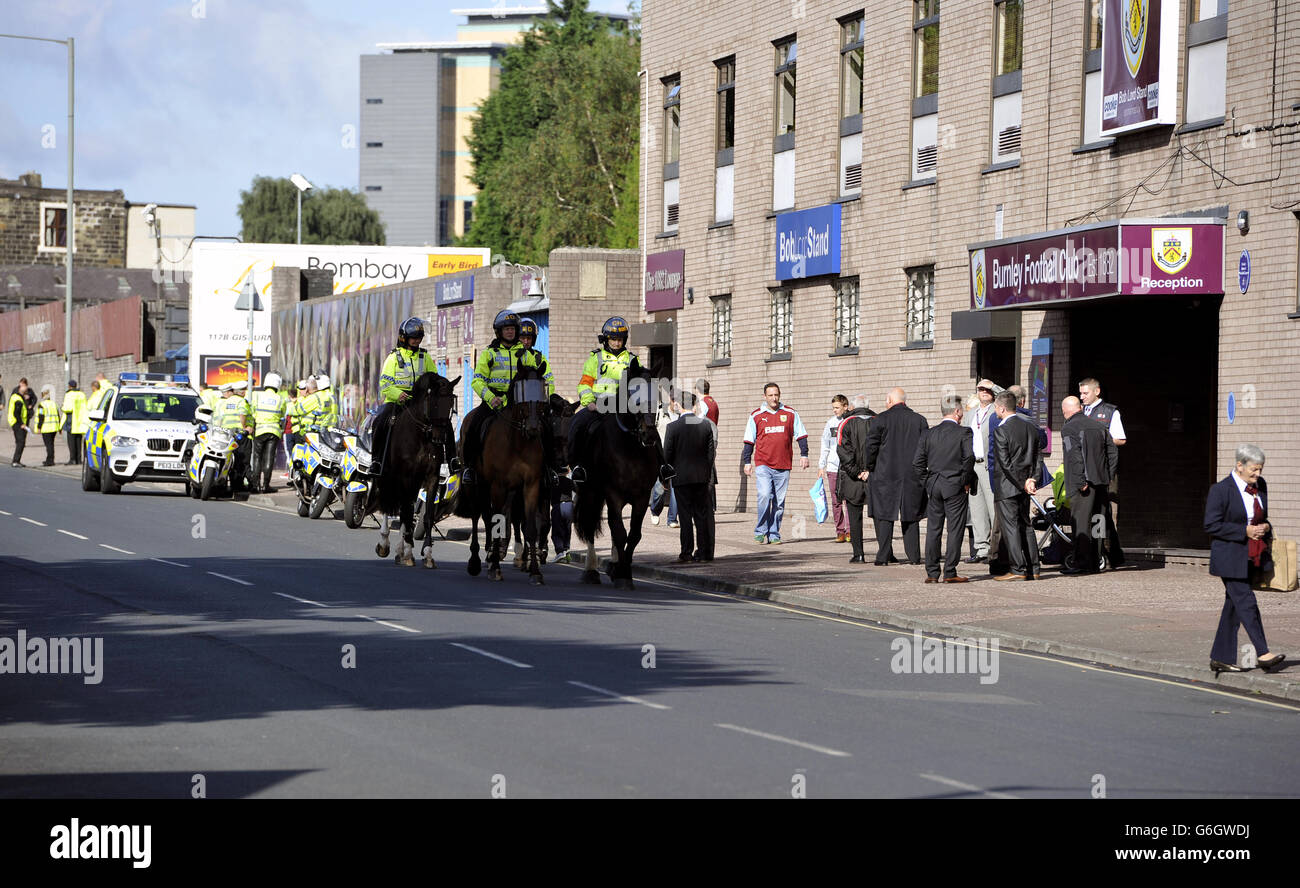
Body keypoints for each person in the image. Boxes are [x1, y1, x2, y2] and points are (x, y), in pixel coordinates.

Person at [1205, 444, 1286, 675]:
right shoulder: (1220, 490)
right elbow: (1211, 525)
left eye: (1260, 469)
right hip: (1229, 558)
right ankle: (1263, 653)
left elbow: (1263, 516)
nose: (1257, 475)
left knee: (1233, 606)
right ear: (1239, 465)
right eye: (1254, 470)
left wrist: (1265, 526)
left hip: (1252, 556)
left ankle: (1220, 658)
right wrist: (1245, 531)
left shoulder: (1261, 486)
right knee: (1247, 603)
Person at [569, 317, 672, 484]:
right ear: (606, 339)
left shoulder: (632, 359)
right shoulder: (595, 358)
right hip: (600, 405)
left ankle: (663, 466)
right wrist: (589, 402)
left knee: (650, 426)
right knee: (577, 423)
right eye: (613, 339)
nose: (617, 343)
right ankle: (578, 466)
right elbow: (585, 384)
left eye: (620, 339)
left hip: (625, 406)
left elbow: (642, 383)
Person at [913, 394, 976, 583]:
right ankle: (950, 571)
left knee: (934, 529)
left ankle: (932, 573)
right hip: (954, 483)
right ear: (957, 412)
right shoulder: (964, 432)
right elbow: (969, 459)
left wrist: (928, 481)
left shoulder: (928, 433)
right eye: (961, 411)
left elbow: (917, 463)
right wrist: (964, 480)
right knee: (955, 529)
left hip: (935, 484)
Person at [864, 387, 928, 565]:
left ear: (890, 401)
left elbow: (871, 447)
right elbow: (925, 449)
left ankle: (883, 556)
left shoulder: (881, 419)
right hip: (912, 475)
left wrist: (870, 466)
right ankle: (914, 556)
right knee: (911, 515)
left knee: (884, 515)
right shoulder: (920, 420)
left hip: (885, 474)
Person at [462, 311, 526, 484]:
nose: (510, 332)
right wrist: (491, 398)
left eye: (512, 328)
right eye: (506, 329)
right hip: (493, 403)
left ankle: (550, 469)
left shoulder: (525, 353)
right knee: (473, 425)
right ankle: (469, 468)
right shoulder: (489, 353)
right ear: (499, 331)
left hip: (519, 404)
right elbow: (477, 381)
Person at [741, 382, 808, 545]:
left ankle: (774, 533)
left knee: (779, 502)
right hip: (763, 463)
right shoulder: (756, 415)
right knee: (764, 496)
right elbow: (749, 440)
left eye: (776, 394)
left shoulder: (790, 413)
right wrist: (747, 461)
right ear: (765, 397)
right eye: (770, 395)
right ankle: (760, 531)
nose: (774, 398)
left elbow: (801, 434)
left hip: (783, 464)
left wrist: (804, 454)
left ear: (780, 395)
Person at [372, 317, 439, 476]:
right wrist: (398, 394)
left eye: (419, 338)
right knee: (379, 422)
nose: (416, 341)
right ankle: (376, 460)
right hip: (397, 402)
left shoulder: (425, 357)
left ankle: (450, 460)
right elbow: (385, 384)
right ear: (404, 338)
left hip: (420, 403)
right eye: (413, 338)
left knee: (443, 423)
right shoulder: (394, 358)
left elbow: (434, 379)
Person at [1059, 396, 1118, 575]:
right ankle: (1095, 561)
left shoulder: (1069, 428)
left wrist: (1079, 481)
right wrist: (1108, 475)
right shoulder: (1099, 426)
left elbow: (1073, 455)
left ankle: (1082, 563)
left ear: (1066, 411)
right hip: (1101, 482)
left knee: (1081, 523)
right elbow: (1113, 452)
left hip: (1083, 484)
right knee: (1098, 521)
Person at [992, 390, 1044, 581]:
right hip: (1026, 484)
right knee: (1026, 525)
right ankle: (1034, 568)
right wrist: (1032, 480)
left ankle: (1018, 569)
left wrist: (1022, 483)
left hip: (1008, 486)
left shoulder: (1001, 430)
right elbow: (1038, 459)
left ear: (1002, 408)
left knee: (1011, 528)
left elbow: (1004, 464)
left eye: (996, 408)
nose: (995, 411)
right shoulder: (1031, 428)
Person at [1079, 377, 1126, 566]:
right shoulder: (1081, 412)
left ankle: (1108, 552)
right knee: (1091, 511)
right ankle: (1103, 552)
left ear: (1096, 391)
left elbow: (1120, 439)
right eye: (1080, 393)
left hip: (1104, 469)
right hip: (1084, 469)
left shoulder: (1109, 412)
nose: (1082, 397)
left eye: (1085, 393)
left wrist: (1099, 438)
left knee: (1106, 511)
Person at [664, 398, 717, 562]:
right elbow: (710, 455)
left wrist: (666, 478)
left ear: (678, 406)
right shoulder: (705, 425)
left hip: (681, 477)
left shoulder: (672, 427)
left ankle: (686, 552)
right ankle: (702, 552)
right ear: (695, 406)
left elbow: (667, 455)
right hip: (701, 478)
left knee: (685, 516)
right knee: (701, 516)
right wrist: (706, 473)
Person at [835, 394, 875, 563]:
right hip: (874, 476)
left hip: (852, 478)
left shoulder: (845, 423)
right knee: (880, 515)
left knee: (854, 515)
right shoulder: (878, 421)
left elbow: (843, 451)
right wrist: (870, 470)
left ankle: (859, 553)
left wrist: (857, 472)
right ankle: (886, 552)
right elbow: (883, 449)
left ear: (852, 406)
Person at [962, 379, 999, 563]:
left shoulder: (996, 410)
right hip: (973, 465)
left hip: (988, 464)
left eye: (987, 389)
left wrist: (994, 386)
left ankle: (996, 548)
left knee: (993, 506)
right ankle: (981, 548)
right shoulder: (971, 414)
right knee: (976, 508)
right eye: (980, 389)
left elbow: (1009, 398)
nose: (983, 392)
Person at [819, 394, 851, 543]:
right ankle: (840, 531)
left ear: (845, 406)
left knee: (848, 500)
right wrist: (822, 465)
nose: (835, 411)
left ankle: (851, 530)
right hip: (833, 467)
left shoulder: (850, 421)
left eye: (837, 407)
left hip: (847, 467)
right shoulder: (831, 423)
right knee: (836, 500)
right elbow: (825, 445)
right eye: (833, 408)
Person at [250, 372, 288, 492]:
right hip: (274, 432)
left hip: (260, 430)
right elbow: (283, 414)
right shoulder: (280, 399)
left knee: (257, 457)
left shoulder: (257, 396)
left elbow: (252, 412)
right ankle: (266, 486)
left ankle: (255, 486)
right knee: (269, 458)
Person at [214, 381, 254, 486]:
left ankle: (231, 483)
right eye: (244, 390)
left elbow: (221, 418)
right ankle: (240, 485)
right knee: (242, 460)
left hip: (228, 434)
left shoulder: (225, 402)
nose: (245, 392)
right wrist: (245, 427)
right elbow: (242, 414)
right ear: (241, 392)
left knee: (231, 459)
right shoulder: (241, 401)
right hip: (241, 434)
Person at [650, 398, 679, 527]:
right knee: (660, 489)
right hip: (661, 456)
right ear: (670, 400)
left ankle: (672, 519)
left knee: (675, 489)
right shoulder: (660, 413)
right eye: (674, 400)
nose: (676, 403)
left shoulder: (681, 415)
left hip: (677, 456)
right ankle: (655, 511)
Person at [61, 380, 87, 465]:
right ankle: (79, 459)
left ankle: (72, 459)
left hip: (71, 421)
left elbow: (68, 408)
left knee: (71, 442)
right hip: (80, 421)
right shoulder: (82, 394)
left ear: (69, 386)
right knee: (78, 441)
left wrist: (62, 407)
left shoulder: (69, 394)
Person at [35, 385, 61, 466]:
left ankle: (50, 461)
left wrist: (39, 427)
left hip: (46, 428)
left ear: (43, 396)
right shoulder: (54, 404)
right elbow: (58, 416)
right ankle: (50, 459)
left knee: (48, 445)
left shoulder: (42, 405)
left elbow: (41, 417)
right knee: (51, 444)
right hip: (54, 428)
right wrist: (60, 428)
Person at [8, 378, 30, 467]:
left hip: (15, 422)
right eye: (25, 387)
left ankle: (17, 461)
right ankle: (15, 461)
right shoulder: (18, 399)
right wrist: (21, 423)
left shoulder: (16, 396)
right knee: (21, 442)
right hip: (17, 422)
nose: (26, 389)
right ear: (22, 386)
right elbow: (16, 413)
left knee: (19, 441)